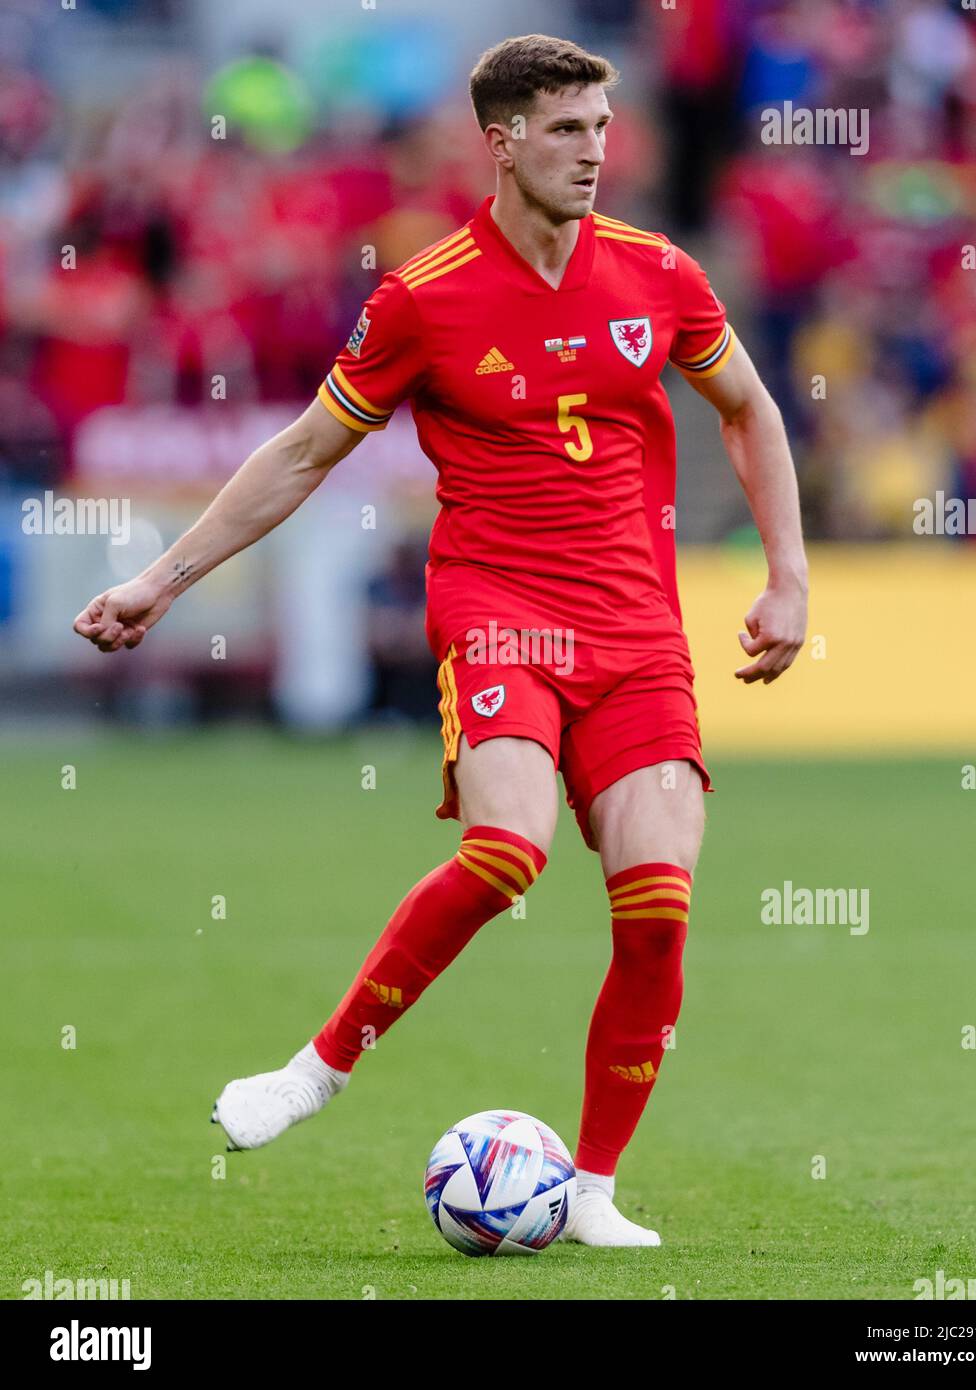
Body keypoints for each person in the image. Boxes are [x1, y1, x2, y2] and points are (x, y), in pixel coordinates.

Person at [73, 34, 808, 1247]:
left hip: (636, 629)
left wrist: (786, 579)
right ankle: (316, 1069)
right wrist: (161, 577)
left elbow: (751, 410)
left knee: (658, 906)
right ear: (503, 140)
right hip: (499, 611)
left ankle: (591, 1193)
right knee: (508, 849)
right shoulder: (423, 297)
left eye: (601, 126)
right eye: (565, 129)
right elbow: (305, 452)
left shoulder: (661, 275)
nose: (592, 151)